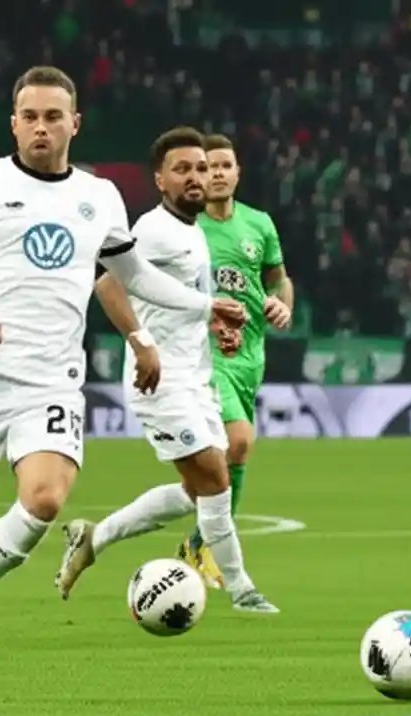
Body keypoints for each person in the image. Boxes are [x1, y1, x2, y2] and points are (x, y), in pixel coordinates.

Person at [0, 68, 247, 654]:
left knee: (45, 500)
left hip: (51, 380)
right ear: (13, 124)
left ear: (74, 124)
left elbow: (136, 276)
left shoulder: (98, 196)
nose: (41, 127)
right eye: (30, 117)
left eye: (53, 117)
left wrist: (206, 305)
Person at [54, 126, 279, 615]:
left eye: (201, 168)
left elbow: (182, 301)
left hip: (195, 375)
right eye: (182, 170)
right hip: (160, 379)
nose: (196, 177)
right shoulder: (153, 229)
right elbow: (107, 282)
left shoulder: (193, 232)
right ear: (160, 179)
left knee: (197, 489)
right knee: (216, 478)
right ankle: (241, 589)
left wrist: (217, 325)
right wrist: (142, 342)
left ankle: (93, 538)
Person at [180, 133, 294, 588]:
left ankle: (199, 542)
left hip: (250, 355)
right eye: (209, 167)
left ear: (237, 172)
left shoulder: (259, 224)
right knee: (240, 441)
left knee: (231, 455)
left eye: (225, 165)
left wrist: (281, 303)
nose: (218, 173)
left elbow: (279, 280)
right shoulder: (187, 228)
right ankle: (206, 543)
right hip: (207, 356)